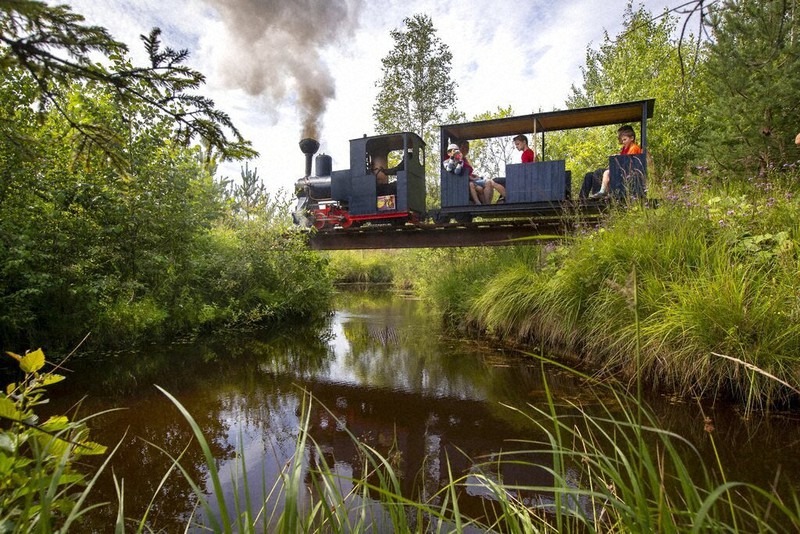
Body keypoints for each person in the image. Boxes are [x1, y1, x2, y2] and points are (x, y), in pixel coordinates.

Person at [588, 125, 642, 199]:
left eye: (624, 139)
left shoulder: (634, 148)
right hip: (624, 169)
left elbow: (627, 161)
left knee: (606, 173)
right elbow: (621, 158)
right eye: (622, 140)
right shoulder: (625, 148)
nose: (623, 142)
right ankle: (605, 194)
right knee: (598, 173)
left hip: (629, 171)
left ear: (632, 138)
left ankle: (602, 191)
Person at [458, 140, 492, 204]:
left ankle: (487, 204)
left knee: (486, 184)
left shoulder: (465, 159)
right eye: (466, 147)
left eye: (468, 148)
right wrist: (473, 178)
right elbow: (461, 173)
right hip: (465, 182)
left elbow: (468, 172)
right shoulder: (458, 159)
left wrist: (474, 176)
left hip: (471, 180)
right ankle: (481, 203)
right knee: (487, 183)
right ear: (461, 147)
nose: (467, 149)